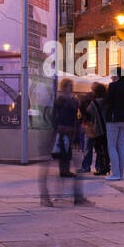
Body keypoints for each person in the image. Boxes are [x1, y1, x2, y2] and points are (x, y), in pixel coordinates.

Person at [41, 77, 87, 206]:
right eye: (69, 86)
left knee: (72, 164)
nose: (71, 88)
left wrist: (78, 127)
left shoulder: (72, 100)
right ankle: (48, 197)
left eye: (72, 86)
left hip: (71, 133)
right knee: (52, 166)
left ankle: (76, 197)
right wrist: (58, 128)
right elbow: (54, 116)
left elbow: (74, 116)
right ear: (64, 87)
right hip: (62, 134)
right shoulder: (61, 100)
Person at [103, 67, 124, 181]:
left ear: (117, 75)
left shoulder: (113, 86)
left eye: (112, 75)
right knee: (121, 145)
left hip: (113, 117)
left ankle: (115, 173)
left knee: (111, 145)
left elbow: (108, 101)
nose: (111, 78)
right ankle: (120, 173)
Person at [80, 83, 108, 175]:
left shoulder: (91, 101)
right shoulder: (106, 101)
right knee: (100, 149)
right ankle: (99, 167)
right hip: (103, 129)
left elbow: (88, 113)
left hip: (92, 127)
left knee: (88, 148)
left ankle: (86, 167)